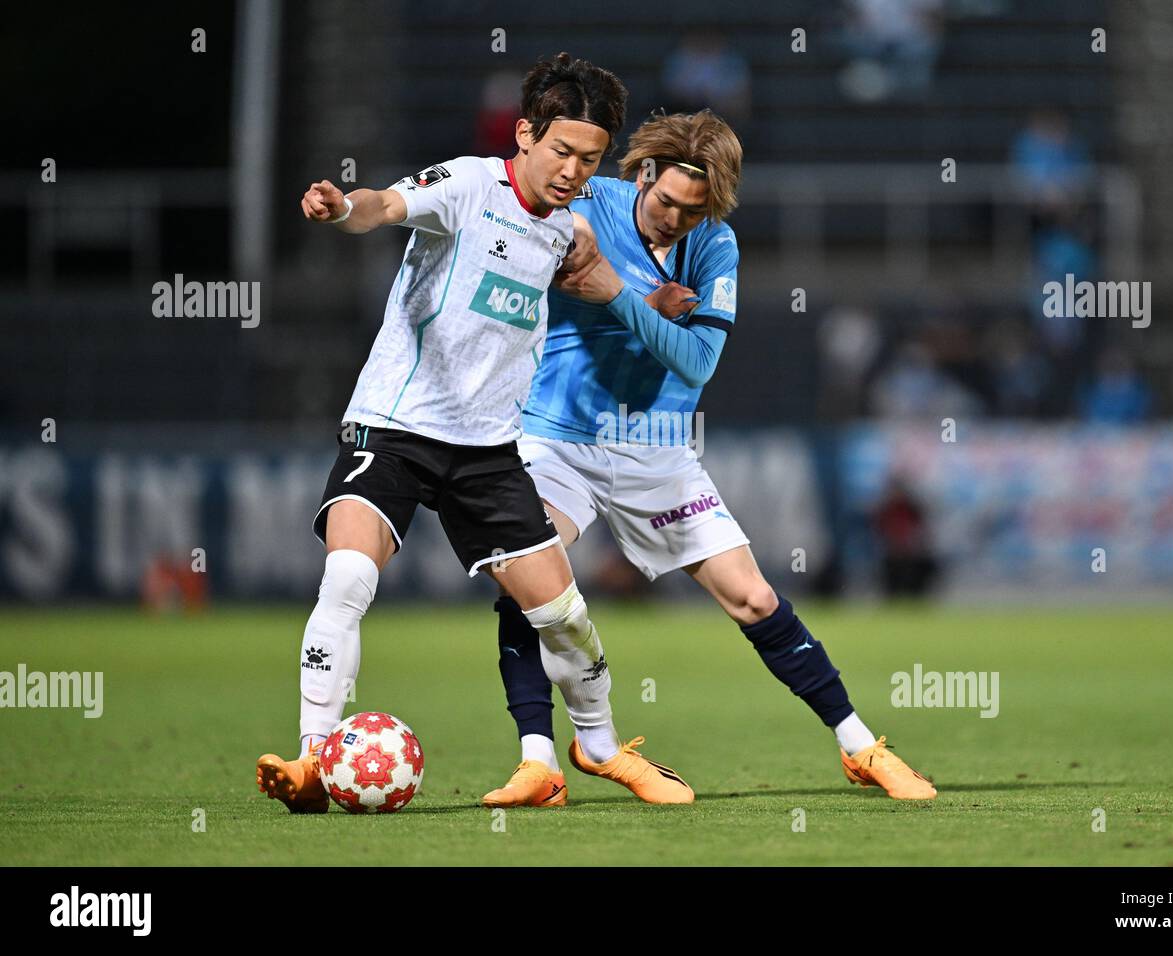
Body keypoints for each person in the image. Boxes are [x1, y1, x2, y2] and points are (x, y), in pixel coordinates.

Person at [254, 53, 695, 813]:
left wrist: (653, 304)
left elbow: (592, 282)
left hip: (490, 450)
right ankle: (310, 762)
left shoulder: (569, 232)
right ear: (524, 134)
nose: (571, 172)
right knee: (349, 577)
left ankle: (597, 747)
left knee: (564, 619)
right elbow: (384, 207)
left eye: (589, 160)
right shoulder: (465, 185)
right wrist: (340, 209)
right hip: (394, 428)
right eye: (561, 151)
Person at [481, 110, 937, 808]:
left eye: (692, 212)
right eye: (665, 202)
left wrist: (616, 295)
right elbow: (516, 259)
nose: (674, 220)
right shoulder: (586, 201)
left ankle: (859, 746)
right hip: (557, 434)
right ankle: (539, 761)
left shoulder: (715, 246)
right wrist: (642, 304)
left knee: (753, 598)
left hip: (659, 447)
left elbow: (694, 365)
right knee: (529, 573)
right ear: (640, 176)